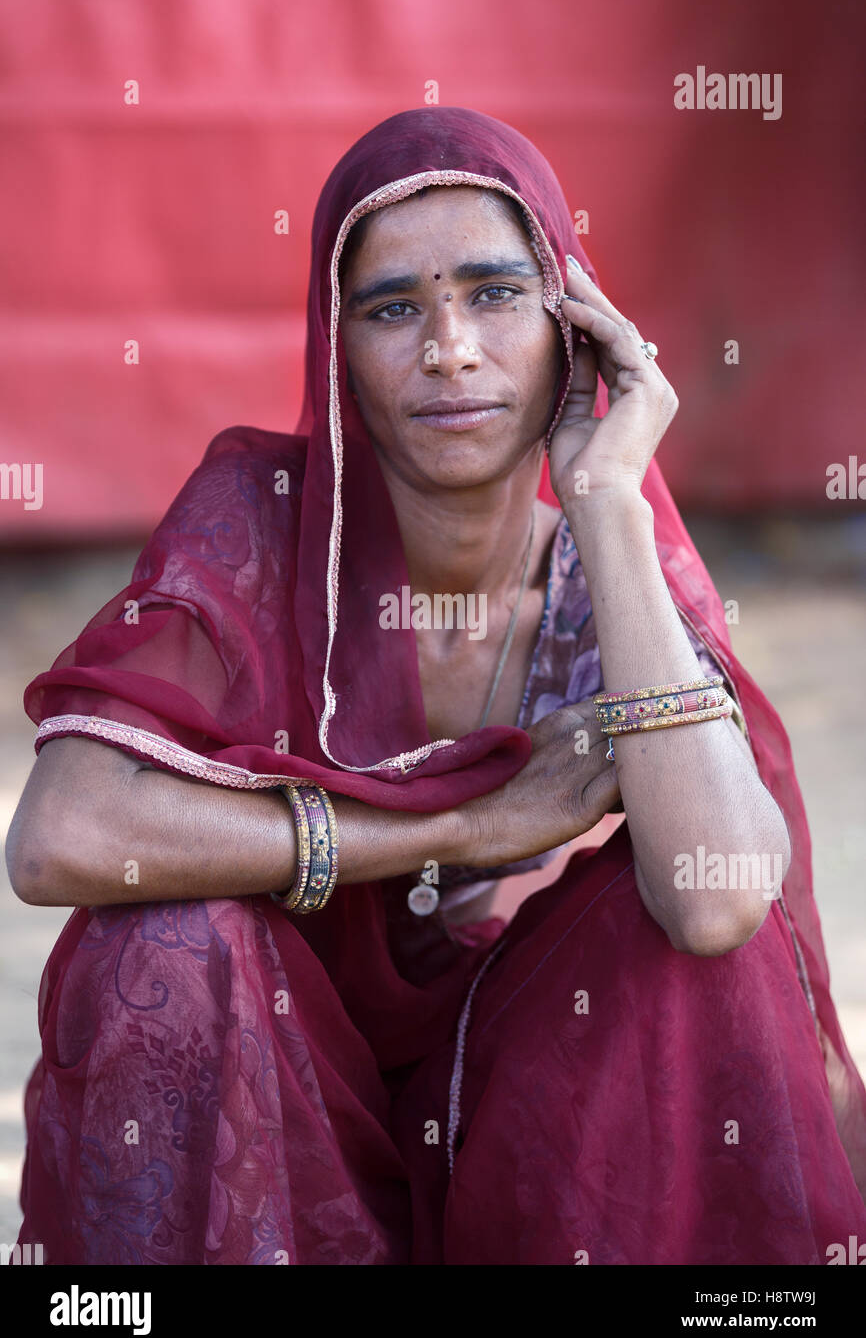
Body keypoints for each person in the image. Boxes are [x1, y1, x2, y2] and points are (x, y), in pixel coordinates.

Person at [7, 106, 866, 1266]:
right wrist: (469, 819)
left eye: (497, 294)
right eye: (393, 307)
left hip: (517, 1103)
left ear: (575, 331)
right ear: (336, 351)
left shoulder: (600, 582)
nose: (449, 348)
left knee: (694, 947)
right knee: (160, 944)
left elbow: (720, 901)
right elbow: (59, 837)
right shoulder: (258, 523)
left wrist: (611, 494)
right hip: (275, 1099)